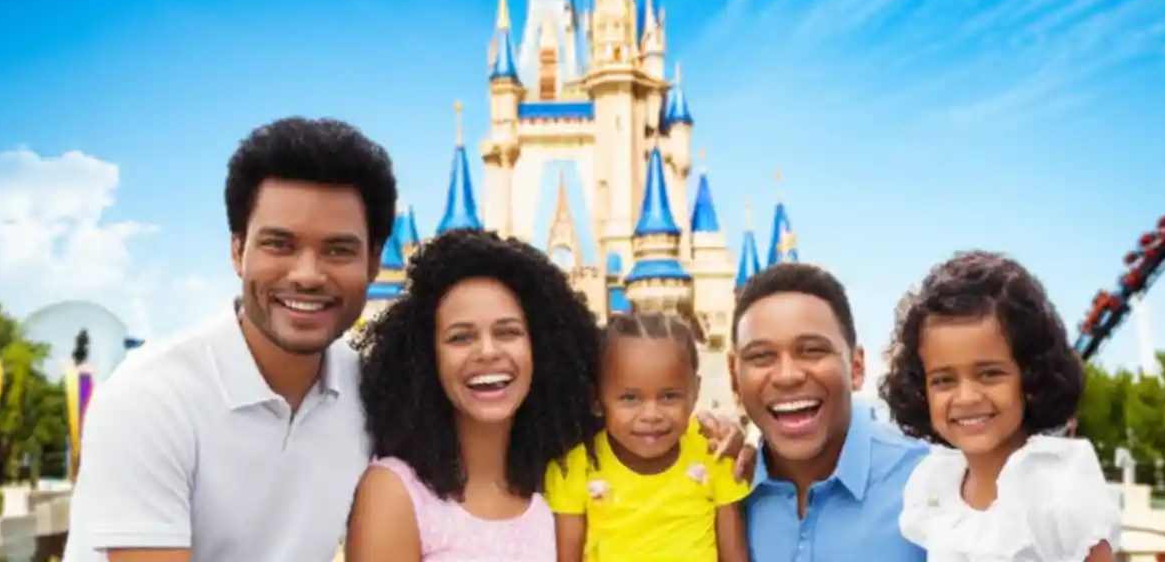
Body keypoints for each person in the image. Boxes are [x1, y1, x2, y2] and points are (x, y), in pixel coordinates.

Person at [64, 117, 398, 562]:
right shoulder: (151, 397)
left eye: (338, 250)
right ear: (237, 252)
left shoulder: (372, 393)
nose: (307, 275)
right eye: (279, 244)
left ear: (374, 263)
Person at [347, 229, 749, 561]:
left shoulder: (563, 472)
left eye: (508, 332)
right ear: (425, 356)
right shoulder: (398, 492)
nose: (488, 351)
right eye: (460, 337)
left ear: (541, 348)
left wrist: (727, 439)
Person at [881, 250, 1122, 562]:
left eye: (989, 374)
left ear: (1031, 377)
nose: (966, 397)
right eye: (943, 380)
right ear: (920, 389)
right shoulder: (934, 486)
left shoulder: (1056, 489)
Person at [730, 263, 928, 561]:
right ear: (734, 378)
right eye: (761, 356)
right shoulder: (723, 494)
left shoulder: (929, 484)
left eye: (812, 350)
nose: (787, 376)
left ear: (857, 367)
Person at [545, 311, 750, 562]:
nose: (651, 415)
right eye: (630, 398)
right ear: (597, 400)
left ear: (695, 391)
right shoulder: (575, 470)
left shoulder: (714, 452)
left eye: (669, 396)